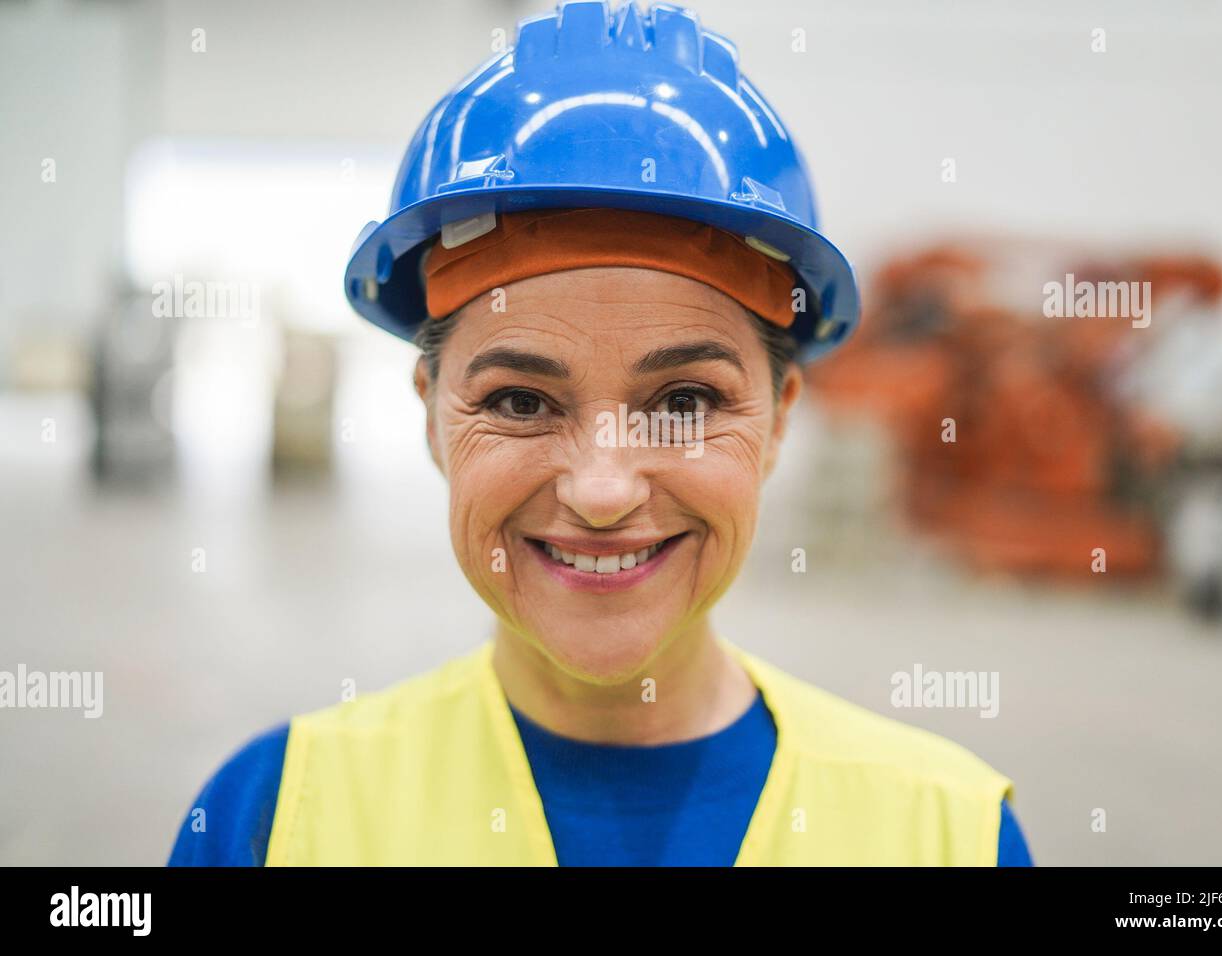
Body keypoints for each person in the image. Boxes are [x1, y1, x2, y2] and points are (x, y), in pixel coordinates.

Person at [170, 0, 1031, 867]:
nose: (603, 490)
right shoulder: (272, 822)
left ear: (779, 421)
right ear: (433, 414)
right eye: (519, 403)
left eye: (686, 402)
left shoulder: (947, 834)